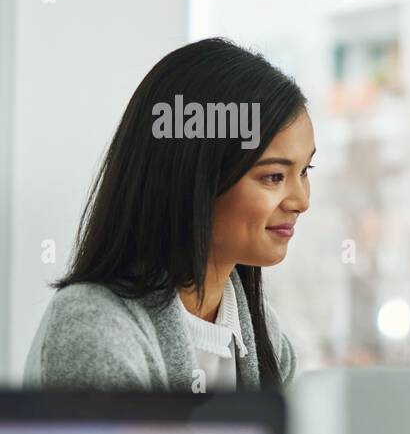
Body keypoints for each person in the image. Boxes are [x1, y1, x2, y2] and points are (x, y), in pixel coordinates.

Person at [25, 38, 312, 391]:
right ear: (196, 178)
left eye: (305, 171)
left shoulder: (260, 329)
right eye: (274, 177)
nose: (300, 200)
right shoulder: (94, 328)